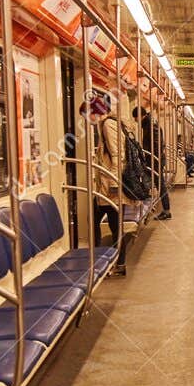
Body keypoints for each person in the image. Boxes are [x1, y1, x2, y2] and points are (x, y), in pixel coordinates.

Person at [87, 95, 129, 276]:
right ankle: (107, 260)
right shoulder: (109, 124)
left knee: (113, 225)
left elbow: (118, 155)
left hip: (111, 186)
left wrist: (113, 182)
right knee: (102, 221)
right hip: (107, 185)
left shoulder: (107, 125)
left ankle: (117, 263)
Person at [140, 108, 172, 220]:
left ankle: (166, 210)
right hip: (154, 159)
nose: (136, 121)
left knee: (160, 184)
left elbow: (156, 144)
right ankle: (150, 206)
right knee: (153, 183)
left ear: (141, 116)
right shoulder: (151, 123)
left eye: (136, 118)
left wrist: (154, 160)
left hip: (154, 160)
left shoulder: (151, 125)